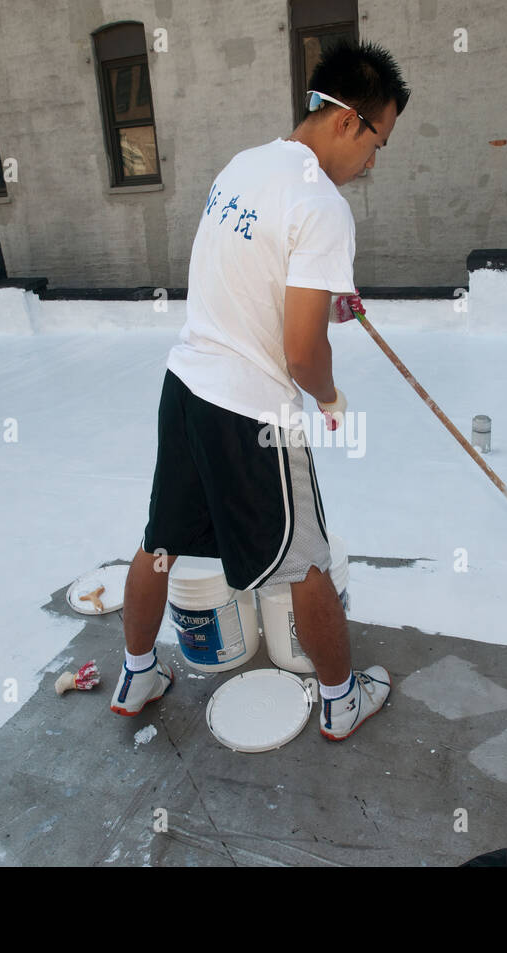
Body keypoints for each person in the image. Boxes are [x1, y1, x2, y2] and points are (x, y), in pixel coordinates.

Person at [109, 39, 410, 740]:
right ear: (346, 121)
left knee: (161, 542)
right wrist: (329, 397)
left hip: (185, 385)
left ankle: (137, 671)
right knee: (306, 561)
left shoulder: (246, 165)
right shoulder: (325, 208)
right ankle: (339, 700)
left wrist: (316, 294)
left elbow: (247, 268)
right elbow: (302, 352)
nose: (373, 161)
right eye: (378, 141)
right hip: (250, 412)